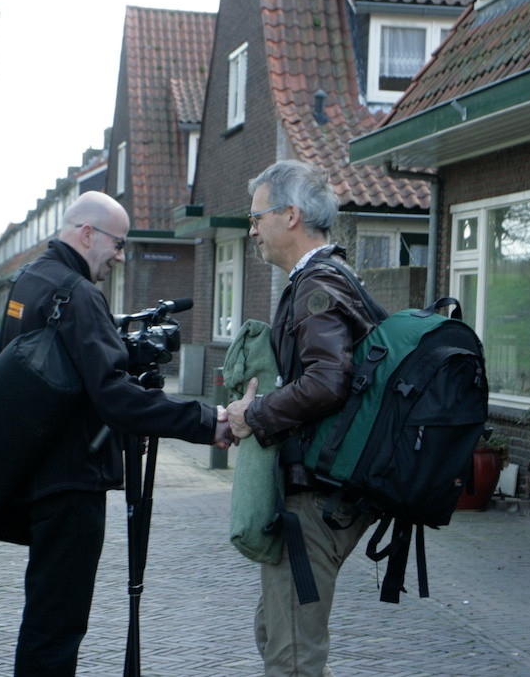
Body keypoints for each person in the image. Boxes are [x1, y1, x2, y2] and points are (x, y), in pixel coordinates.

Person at [0, 190, 233, 676]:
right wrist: (209, 422)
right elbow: (116, 397)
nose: (120, 257)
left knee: (43, 618)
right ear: (87, 234)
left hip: (35, 476)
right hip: (72, 483)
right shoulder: (78, 295)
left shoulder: (27, 281)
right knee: (59, 623)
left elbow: (19, 379)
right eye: (118, 244)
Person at [226, 160, 379, 677]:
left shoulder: (318, 287)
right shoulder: (328, 278)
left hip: (315, 499)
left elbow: (327, 379)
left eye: (256, 217)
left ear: (290, 216)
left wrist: (257, 413)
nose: (251, 230)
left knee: (291, 654)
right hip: (321, 495)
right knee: (279, 632)